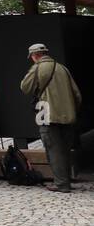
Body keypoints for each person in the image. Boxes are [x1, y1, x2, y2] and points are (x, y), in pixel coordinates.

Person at [21, 44, 83, 193]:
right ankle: (66, 179)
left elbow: (25, 87)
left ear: (34, 56)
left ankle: (61, 184)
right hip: (68, 116)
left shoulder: (37, 68)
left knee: (54, 150)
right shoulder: (62, 68)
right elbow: (77, 95)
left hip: (47, 115)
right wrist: (71, 111)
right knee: (65, 149)